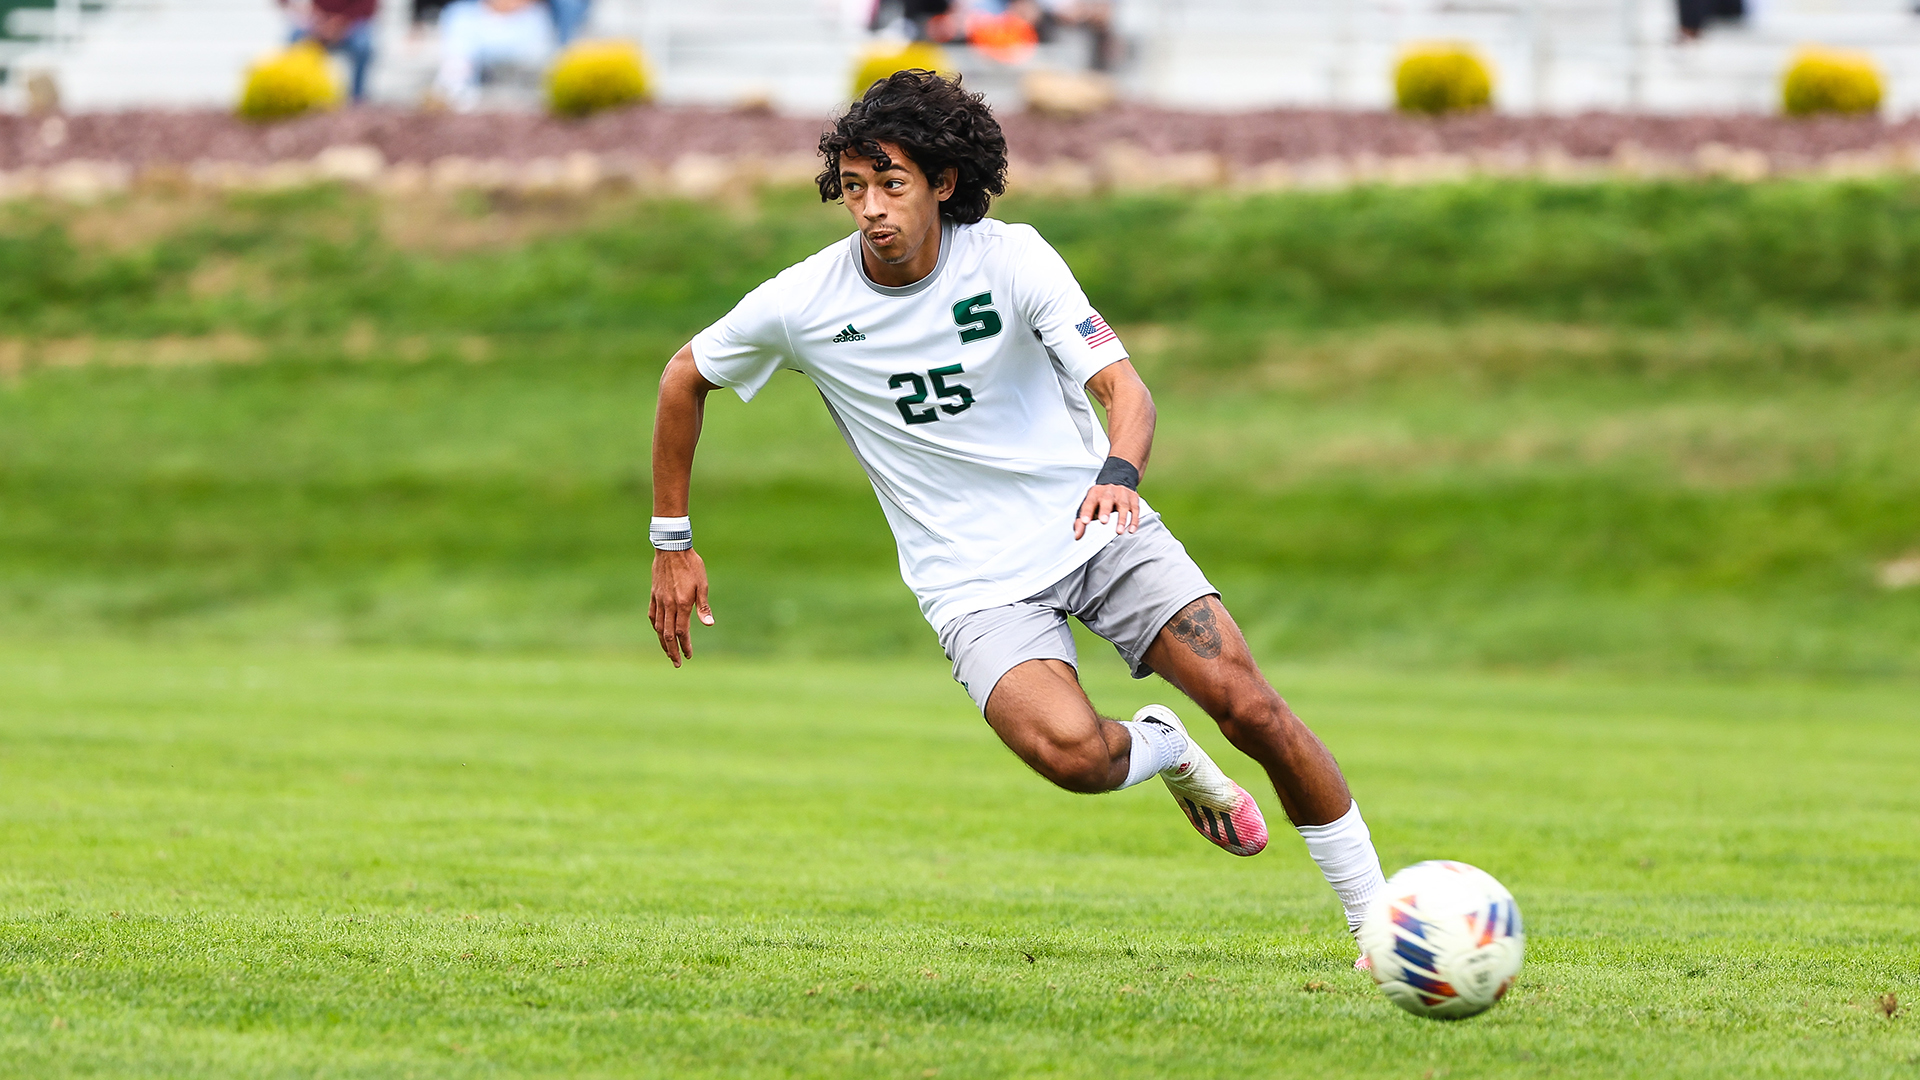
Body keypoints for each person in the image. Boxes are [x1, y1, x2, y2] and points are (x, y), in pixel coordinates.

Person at [649, 71, 1388, 963]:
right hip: (970, 579)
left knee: (1253, 709)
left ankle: (1380, 925)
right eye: (853, 187)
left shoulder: (1013, 258)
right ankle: (1164, 749)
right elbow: (684, 375)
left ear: (942, 183)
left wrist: (1119, 472)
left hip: (1094, 523)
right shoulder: (804, 304)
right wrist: (673, 541)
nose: (871, 208)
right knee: (1073, 757)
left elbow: (1125, 388)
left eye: (892, 183)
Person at [432, 0, 557, 111]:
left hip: (518, 97)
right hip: (467, 96)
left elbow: (538, 58)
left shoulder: (535, 17)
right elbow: (456, 59)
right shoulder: (462, 13)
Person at [282, 0, 378, 103]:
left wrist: (340, 23)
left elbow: (368, 8)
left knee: (362, 45)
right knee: (295, 37)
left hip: (350, 23)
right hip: (321, 21)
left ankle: (357, 97)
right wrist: (319, 21)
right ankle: (294, 94)